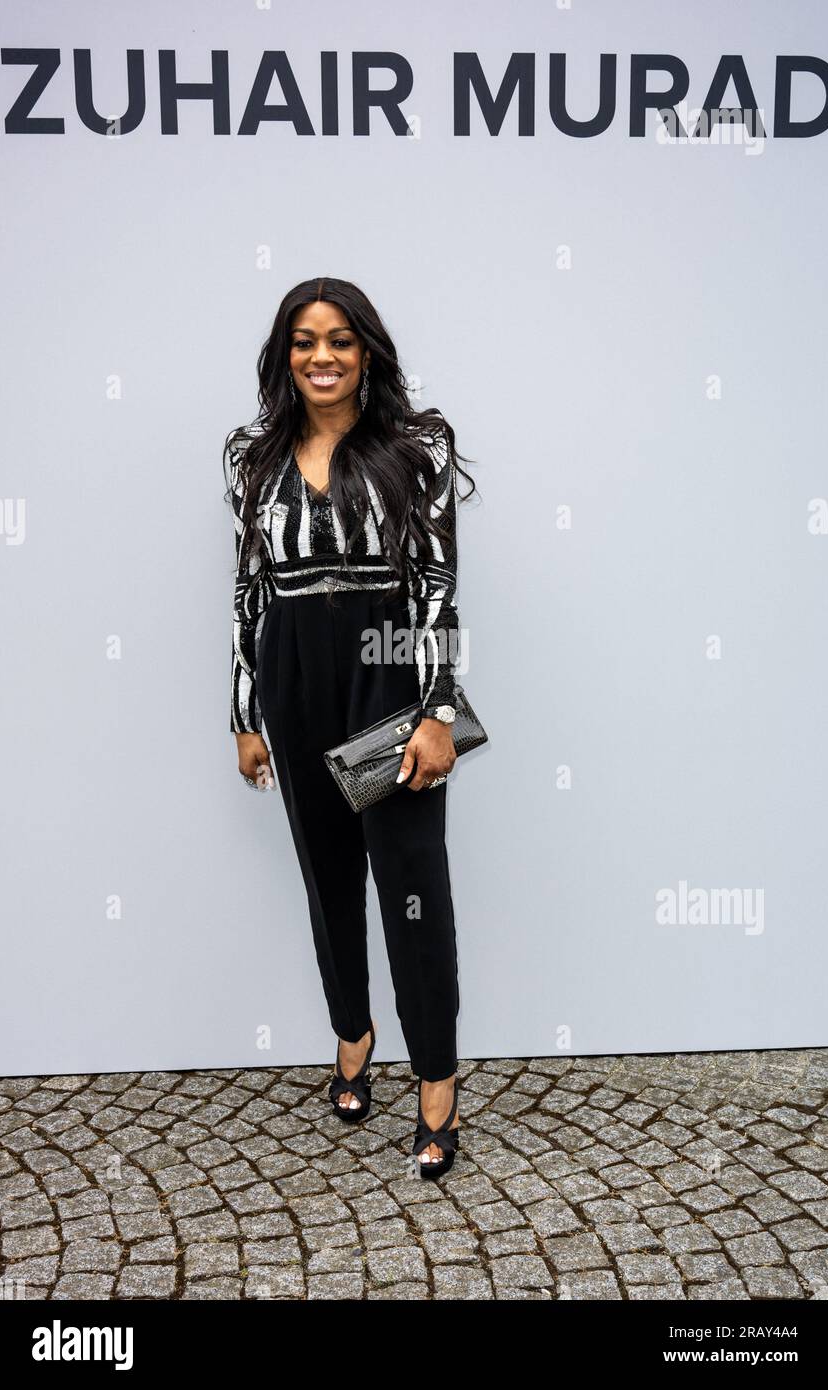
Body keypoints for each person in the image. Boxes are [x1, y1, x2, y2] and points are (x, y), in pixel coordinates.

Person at [224, 277, 477, 1177]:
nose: (320, 356)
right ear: (283, 355)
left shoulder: (418, 446)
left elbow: (439, 584)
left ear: (367, 350)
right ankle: (353, 1032)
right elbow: (250, 589)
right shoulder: (250, 453)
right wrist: (246, 714)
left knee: (412, 889)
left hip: (382, 675)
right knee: (327, 880)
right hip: (293, 675)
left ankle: (438, 1082)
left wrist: (437, 711)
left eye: (339, 340)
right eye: (303, 340)